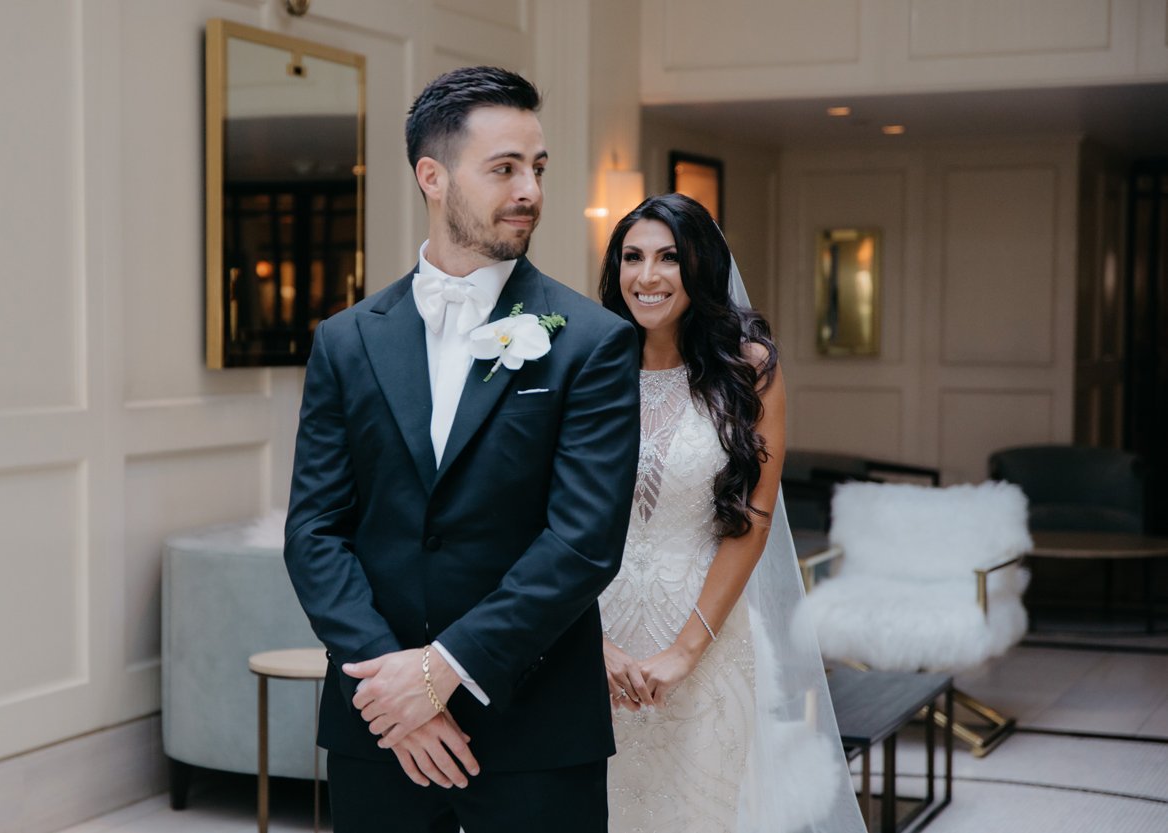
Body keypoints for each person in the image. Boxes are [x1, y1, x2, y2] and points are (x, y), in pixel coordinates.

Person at [284, 66, 640, 833]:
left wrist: (439, 672)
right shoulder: (345, 341)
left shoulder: (592, 343)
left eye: (537, 169)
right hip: (379, 727)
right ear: (433, 176)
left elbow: (583, 543)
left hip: (537, 728)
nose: (530, 191)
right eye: (505, 168)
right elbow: (314, 531)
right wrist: (393, 692)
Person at [597, 193, 865, 833]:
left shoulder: (749, 370)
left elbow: (754, 515)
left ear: (701, 266)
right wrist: (590, 645)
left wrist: (685, 652)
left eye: (669, 258)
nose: (647, 276)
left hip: (703, 630)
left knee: (701, 809)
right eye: (632, 257)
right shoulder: (591, 362)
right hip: (593, 628)